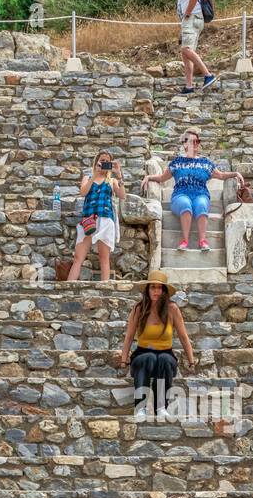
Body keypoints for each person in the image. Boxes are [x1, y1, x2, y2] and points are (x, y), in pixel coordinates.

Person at [141, 130, 245, 253]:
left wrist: (235, 173)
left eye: (198, 141)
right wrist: (148, 177)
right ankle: (185, 240)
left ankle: (203, 241)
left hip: (200, 194)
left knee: (201, 204)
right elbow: (162, 178)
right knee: (185, 204)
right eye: (192, 141)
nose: (196, 144)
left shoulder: (205, 163)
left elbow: (221, 175)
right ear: (185, 144)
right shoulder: (177, 163)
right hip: (180, 194)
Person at [117, 270, 195, 418]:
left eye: (159, 288)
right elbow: (129, 337)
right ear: (148, 290)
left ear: (164, 291)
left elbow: (184, 337)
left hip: (166, 354)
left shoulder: (172, 309)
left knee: (164, 359)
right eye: (153, 287)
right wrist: (123, 359)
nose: (156, 291)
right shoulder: (139, 309)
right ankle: (140, 407)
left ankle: (161, 407)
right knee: (149, 357)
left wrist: (191, 360)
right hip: (142, 354)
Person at [66, 147, 124, 281]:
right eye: (101, 160)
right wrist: (95, 175)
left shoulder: (112, 180)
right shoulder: (88, 177)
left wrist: (119, 175)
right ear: (96, 162)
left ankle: (105, 288)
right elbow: (83, 192)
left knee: (104, 258)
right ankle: (69, 286)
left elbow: (122, 195)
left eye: (107, 161)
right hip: (88, 220)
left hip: (105, 219)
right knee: (78, 257)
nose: (104, 163)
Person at [165, 0, 216, 95]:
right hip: (192, 19)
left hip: (192, 18)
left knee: (186, 50)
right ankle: (189, 86)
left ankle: (208, 75)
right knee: (186, 53)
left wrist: (187, 15)